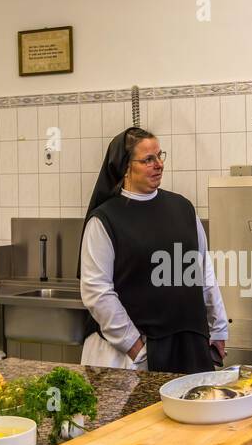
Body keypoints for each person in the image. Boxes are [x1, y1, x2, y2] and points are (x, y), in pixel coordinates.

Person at [79, 126, 228, 373]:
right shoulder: (105, 220)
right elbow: (97, 291)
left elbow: (203, 271)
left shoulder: (183, 209)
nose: (158, 164)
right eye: (148, 159)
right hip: (133, 355)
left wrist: (218, 327)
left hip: (188, 345)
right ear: (126, 167)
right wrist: (136, 347)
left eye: (160, 156)